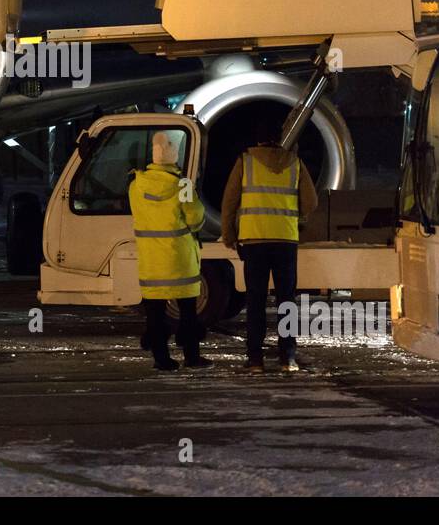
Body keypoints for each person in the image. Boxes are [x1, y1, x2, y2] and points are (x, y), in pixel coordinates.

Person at [220, 116, 318, 372]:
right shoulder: (295, 163)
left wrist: (229, 235)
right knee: (286, 301)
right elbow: (311, 202)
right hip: (285, 241)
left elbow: (229, 203)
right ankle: (287, 357)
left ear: (258, 137)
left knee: (256, 301)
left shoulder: (246, 161)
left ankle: (255, 360)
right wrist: (297, 218)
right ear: (280, 137)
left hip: (254, 242)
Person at [128, 131, 211, 371]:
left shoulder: (136, 184)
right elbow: (195, 217)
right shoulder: (183, 185)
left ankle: (161, 359)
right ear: (174, 155)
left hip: (151, 259)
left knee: (154, 313)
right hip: (180, 259)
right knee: (187, 312)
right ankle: (192, 357)